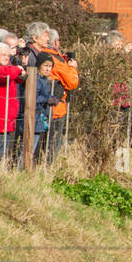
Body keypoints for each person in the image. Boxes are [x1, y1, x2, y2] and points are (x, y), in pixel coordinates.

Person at [43, 29, 79, 164]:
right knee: (53, 143)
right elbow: (72, 82)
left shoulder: (44, 55)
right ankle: (49, 168)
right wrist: (73, 68)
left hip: (48, 104)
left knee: (46, 141)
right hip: (56, 107)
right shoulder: (55, 59)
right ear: (56, 42)